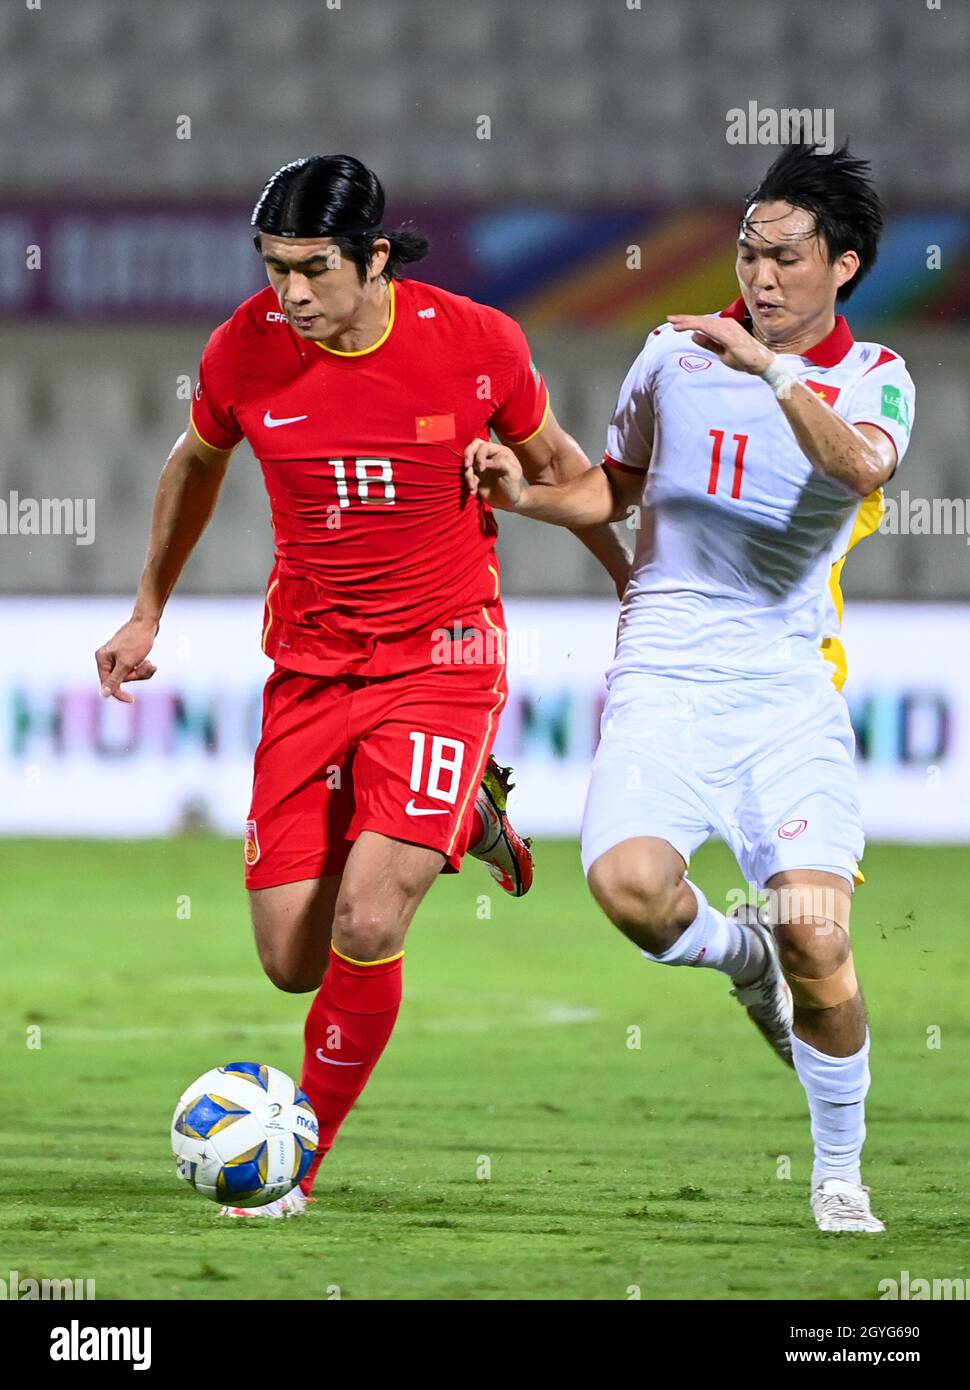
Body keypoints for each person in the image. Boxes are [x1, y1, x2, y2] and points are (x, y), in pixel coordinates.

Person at [95, 154, 630, 1217]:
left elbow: (566, 468)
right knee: (293, 958)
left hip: (444, 658)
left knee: (371, 919)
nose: (290, 293)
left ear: (375, 255)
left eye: (313, 268)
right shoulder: (243, 349)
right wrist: (148, 606)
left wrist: (634, 584)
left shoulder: (477, 344)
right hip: (308, 667)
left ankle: (293, 1166)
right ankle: (464, 814)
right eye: (273, 267)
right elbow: (195, 463)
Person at [465, 144, 915, 1234]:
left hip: (783, 691)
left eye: (784, 257)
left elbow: (858, 468)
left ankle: (839, 1172)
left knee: (821, 936)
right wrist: (523, 492)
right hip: (663, 671)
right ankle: (736, 953)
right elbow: (613, 488)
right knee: (627, 887)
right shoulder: (670, 356)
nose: (758, 276)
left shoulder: (876, 377)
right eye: (747, 251)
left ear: (843, 265)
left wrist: (764, 369)